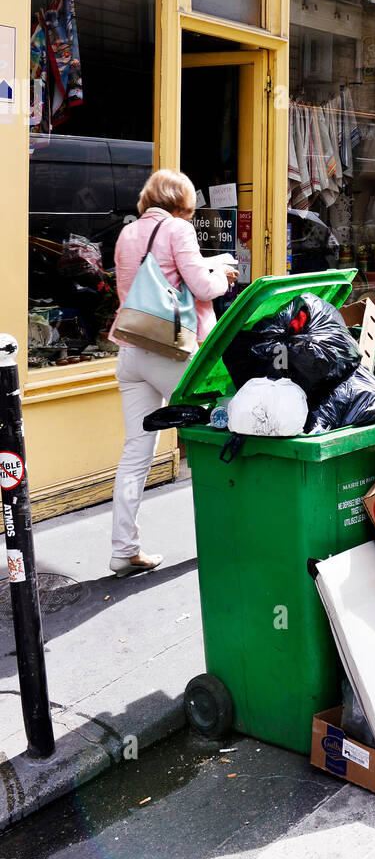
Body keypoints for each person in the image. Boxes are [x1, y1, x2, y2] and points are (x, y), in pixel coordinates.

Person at [107, 170, 238, 576]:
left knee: (135, 454)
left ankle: (123, 550)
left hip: (132, 351)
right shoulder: (179, 229)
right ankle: (228, 535)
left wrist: (204, 267)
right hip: (171, 352)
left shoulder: (128, 234)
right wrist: (223, 274)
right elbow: (203, 288)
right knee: (222, 429)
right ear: (182, 202)